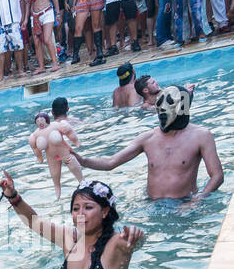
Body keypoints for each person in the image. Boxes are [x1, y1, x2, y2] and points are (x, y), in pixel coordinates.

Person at [0, 172, 144, 269]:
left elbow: (136, 244)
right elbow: (35, 222)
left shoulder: (116, 242)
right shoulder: (70, 238)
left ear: (105, 211)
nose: (80, 214)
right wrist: (12, 195)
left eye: (88, 207)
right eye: (75, 208)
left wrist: (138, 236)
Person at [74, 85, 223, 203]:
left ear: (181, 109)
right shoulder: (148, 138)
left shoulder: (201, 136)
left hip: (184, 203)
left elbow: (217, 176)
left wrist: (197, 200)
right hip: (151, 205)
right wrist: (82, 160)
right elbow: (110, 163)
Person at [29, 112, 84, 199]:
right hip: (52, 157)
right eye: (38, 121)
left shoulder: (55, 126)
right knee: (54, 175)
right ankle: (57, 194)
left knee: (73, 165)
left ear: (47, 120)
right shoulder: (36, 134)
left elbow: (69, 131)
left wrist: (76, 141)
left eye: (42, 120)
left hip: (64, 152)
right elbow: (35, 147)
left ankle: (82, 183)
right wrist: (40, 157)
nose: (40, 123)